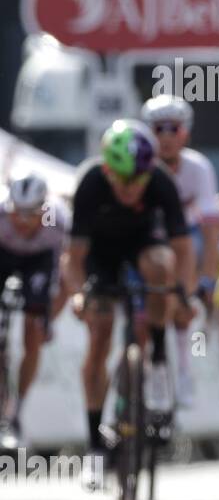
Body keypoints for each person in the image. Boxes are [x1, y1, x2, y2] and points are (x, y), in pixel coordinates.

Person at [65, 120, 193, 479]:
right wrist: (78, 294)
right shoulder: (90, 183)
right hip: (100, 256)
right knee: (101, 332)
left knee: (160, 265)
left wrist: (182, 292)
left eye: (139, 181)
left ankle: (157, 351)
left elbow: (183, 250)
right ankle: (94, 443)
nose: (132, 189)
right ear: (108, 170)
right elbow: (73, 257)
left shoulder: (159, 182)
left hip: (143, 244)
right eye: (124, 181)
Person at [141, 95, 219, 407]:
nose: (165, 137)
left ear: (184, 132)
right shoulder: (141, 167)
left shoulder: (198, 168)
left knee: (186, 251)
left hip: (184, 239)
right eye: (157, 129)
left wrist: (208, 280)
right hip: (146, 240)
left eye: (172, 128)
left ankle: (184, 367)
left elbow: (210, 228)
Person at [0, 174, 70, 447]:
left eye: (32, 214)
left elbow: (65, 276)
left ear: (44, 208)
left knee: (34, 332)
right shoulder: (2, 215)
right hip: (3, 257)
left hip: (39, 263)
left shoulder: (57, 220)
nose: (25, 221)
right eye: (19, 212)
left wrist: (49, 320)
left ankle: (17, 410)